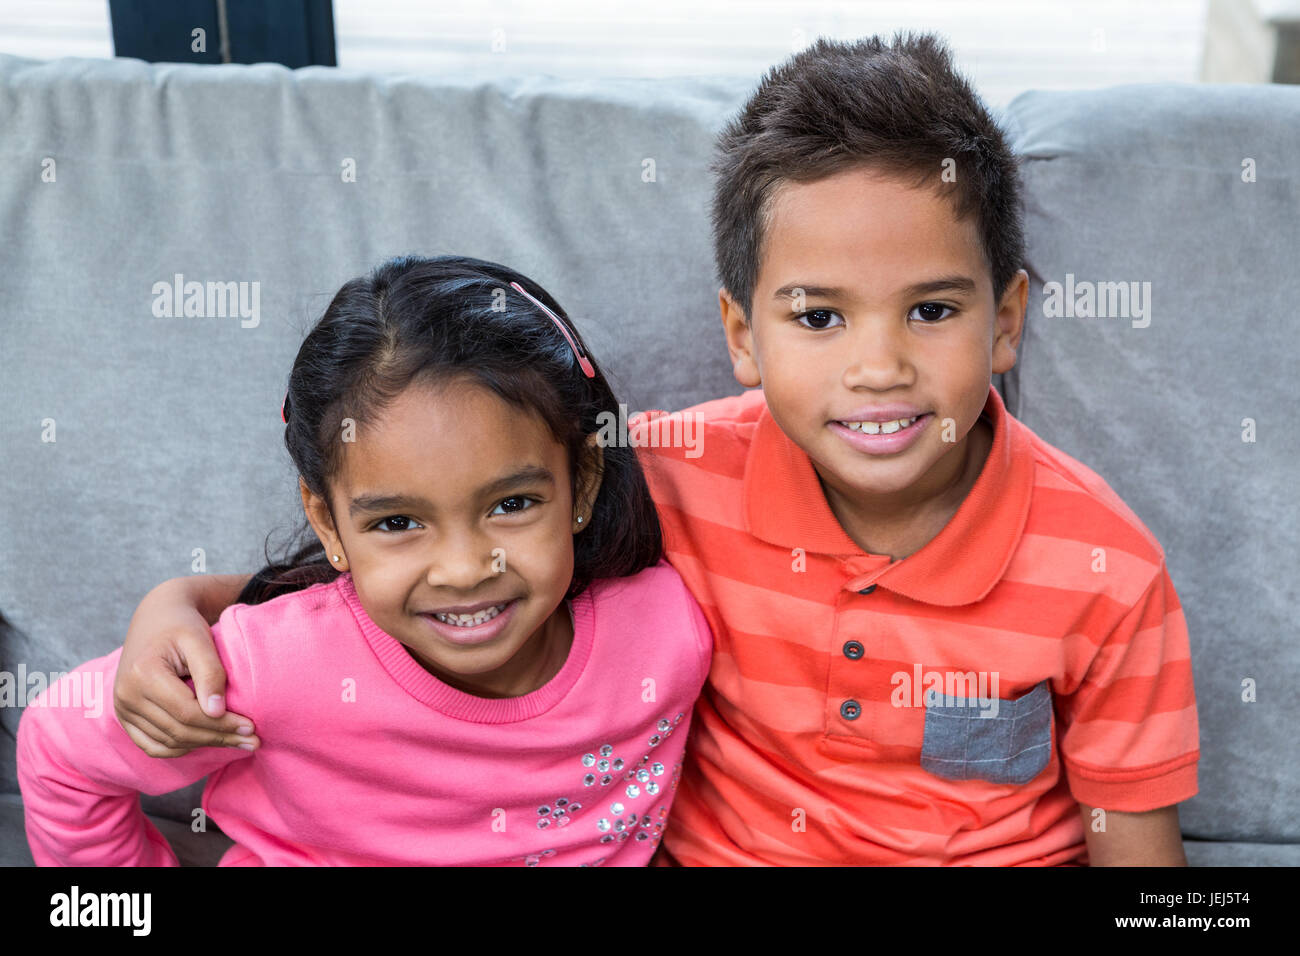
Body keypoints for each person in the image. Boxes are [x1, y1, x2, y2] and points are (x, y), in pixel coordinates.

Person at [112, 32, 1199, 866]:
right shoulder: (660, 472)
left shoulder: (1104, 565)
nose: (878, 367)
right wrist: (179, 604)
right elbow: (433, 544)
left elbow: (1141, 857)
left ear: (1006, 321)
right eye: (818, 317)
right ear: (741, 334)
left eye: (930, 309)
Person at [18, 255, 712, 866]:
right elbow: (57, 747)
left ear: (582, 483)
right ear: (328, 521)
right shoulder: (275, 668)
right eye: (399, 522)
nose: (464, 568)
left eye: (512, 505)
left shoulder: (667, 630)